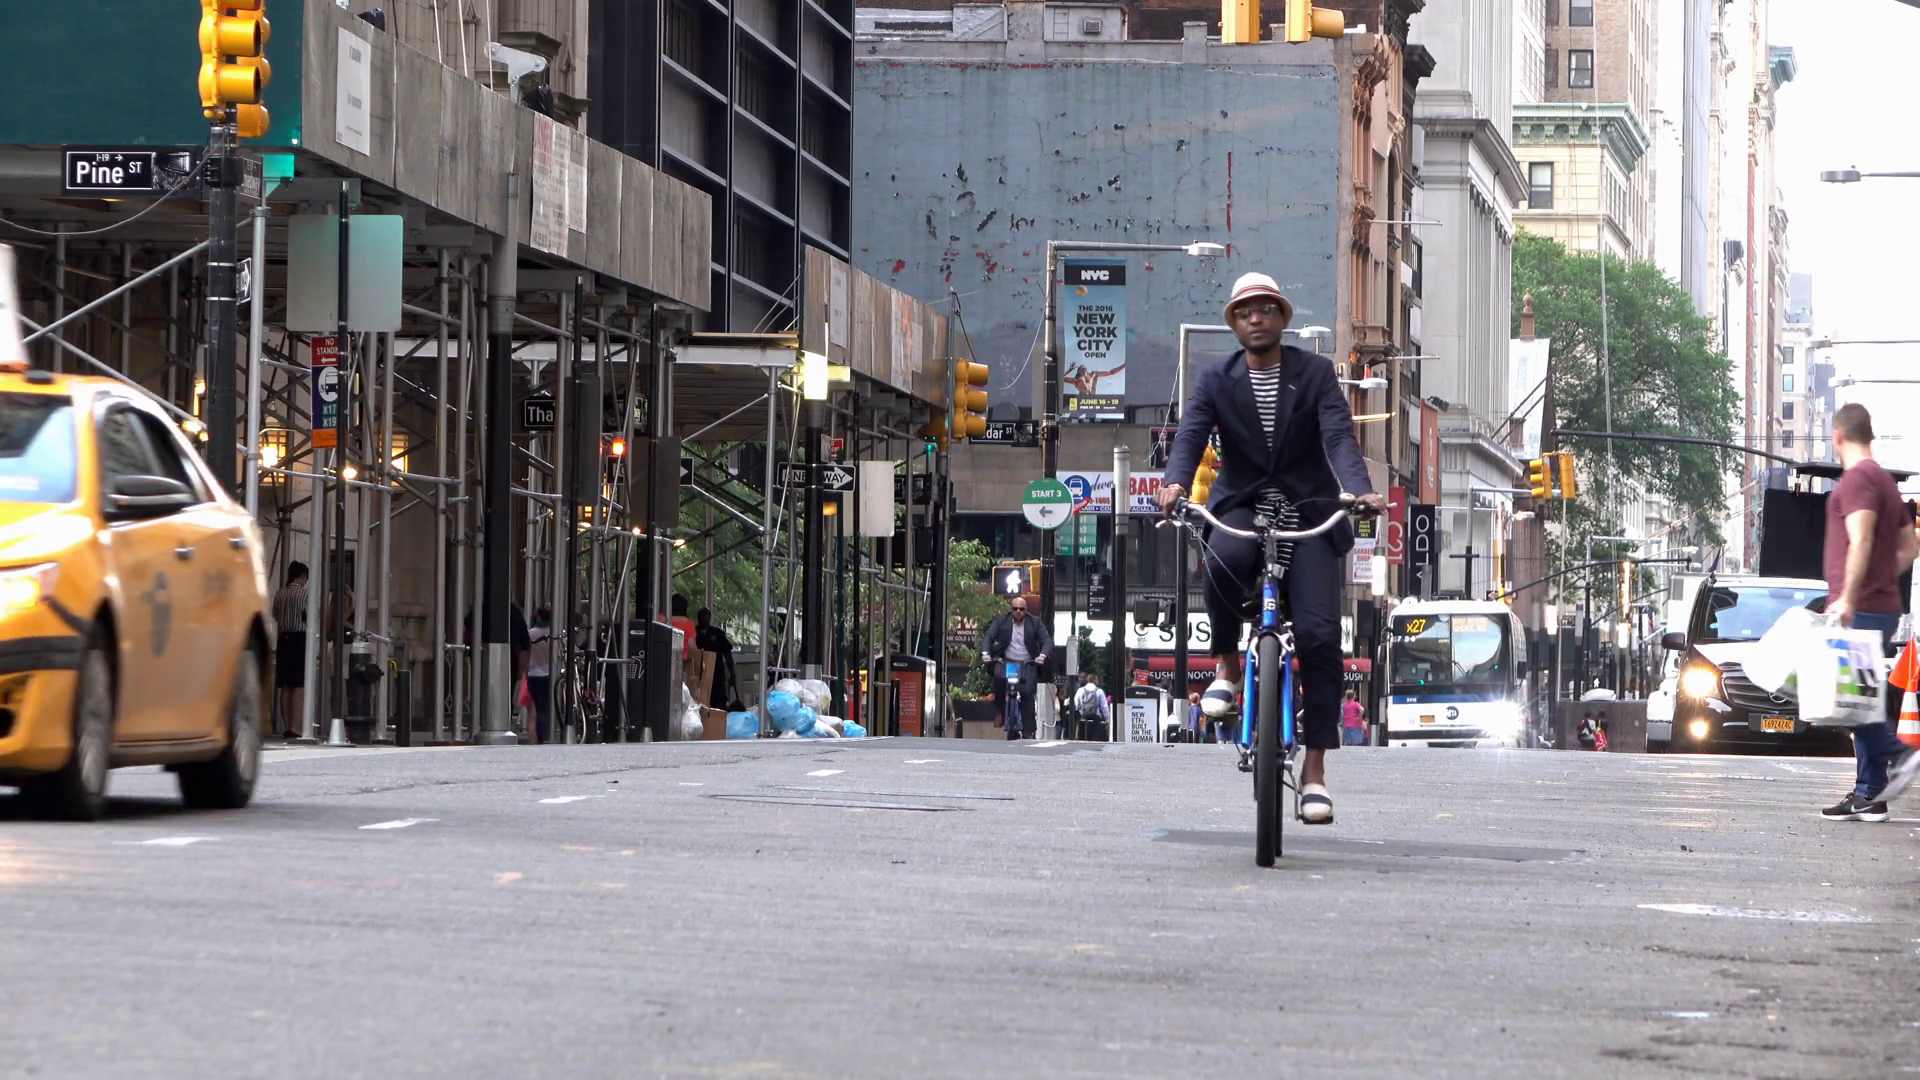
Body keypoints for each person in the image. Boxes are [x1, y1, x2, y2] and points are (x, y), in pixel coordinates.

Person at [1158, 271, 1386, 825]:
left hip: (1306, 509)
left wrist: (1356, 490)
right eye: (1244, 311)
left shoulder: (1314, 375)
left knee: (1319, 635)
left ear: (1283, 318)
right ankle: (1229, 667)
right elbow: (1190, 435)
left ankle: (1315, 770)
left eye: (1266, 309)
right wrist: (1175, 483)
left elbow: (1337, 436)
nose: (1255, 318)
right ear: (1234, 323)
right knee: (1218, 564)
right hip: (1241, 503)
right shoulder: (1216, 380)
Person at [1818, 403, 1920, 822]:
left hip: (1860, 606)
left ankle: (1902, 754)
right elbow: (1912, 547)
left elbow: (1859, 539)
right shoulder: (1883, 481)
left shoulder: (1859, 479)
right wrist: (1880, 577)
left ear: (1838, 436)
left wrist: (1848, 596)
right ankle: (1869, 793)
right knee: (1856, 696)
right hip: (1882, 604)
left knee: (1850, 703)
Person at [980, 596, 1052, 740]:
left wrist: (1042, 656)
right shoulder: (1002, 621)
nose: (1018, 612)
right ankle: (999, 712)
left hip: (1028, 663)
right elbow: (989, 636)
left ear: (1026, 610)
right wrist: (985, 653)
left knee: (1026, 693)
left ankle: (1028, 730)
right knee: (998, 680)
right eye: (1015, 609)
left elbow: (1047, 640)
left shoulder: (1035, 623)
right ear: (1011, 610)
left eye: (1021, 609)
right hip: (1007, 661)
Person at [271, 562, 309, 738]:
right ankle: (296, 727)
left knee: (285, 685)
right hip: (299, 638)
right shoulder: (304, 593)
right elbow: (309, 617)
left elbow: (275, 615)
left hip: (283, 638)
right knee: (298, 685)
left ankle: (287, 725)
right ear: (302, 576)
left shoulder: (280, 594)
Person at [695, 607, 739, 709]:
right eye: (702, 616)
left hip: (717, 674)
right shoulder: (694, 633)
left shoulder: (717, 634)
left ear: (709, 618)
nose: (704, 618)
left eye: (706, 616)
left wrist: (733, 674)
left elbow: (728, 655)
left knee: (719, 703)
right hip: (698, 674)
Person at [526, 607, 554, 744]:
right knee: (545, 706)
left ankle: (537, 736)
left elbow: (525, 652)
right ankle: (544, 734)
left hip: (532, 674)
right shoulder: (554, 633)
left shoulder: (531, 633)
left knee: (535, 708)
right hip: (549, 674)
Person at [1070, 670, 1111, 741]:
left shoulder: (1081, 690)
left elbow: (1076, 702)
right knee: (1096, 734)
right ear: (1095, 680)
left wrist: (1079, 710)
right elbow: (1104, 706)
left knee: (1082, 731)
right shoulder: (1099, 691)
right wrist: (1107, 719)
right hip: (1096, 717)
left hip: (1083, 715)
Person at [669, 594, 697, 660]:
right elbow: (691, 645)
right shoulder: (688, 623)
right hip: (683, 659)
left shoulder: (662, 619)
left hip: (665, 656)